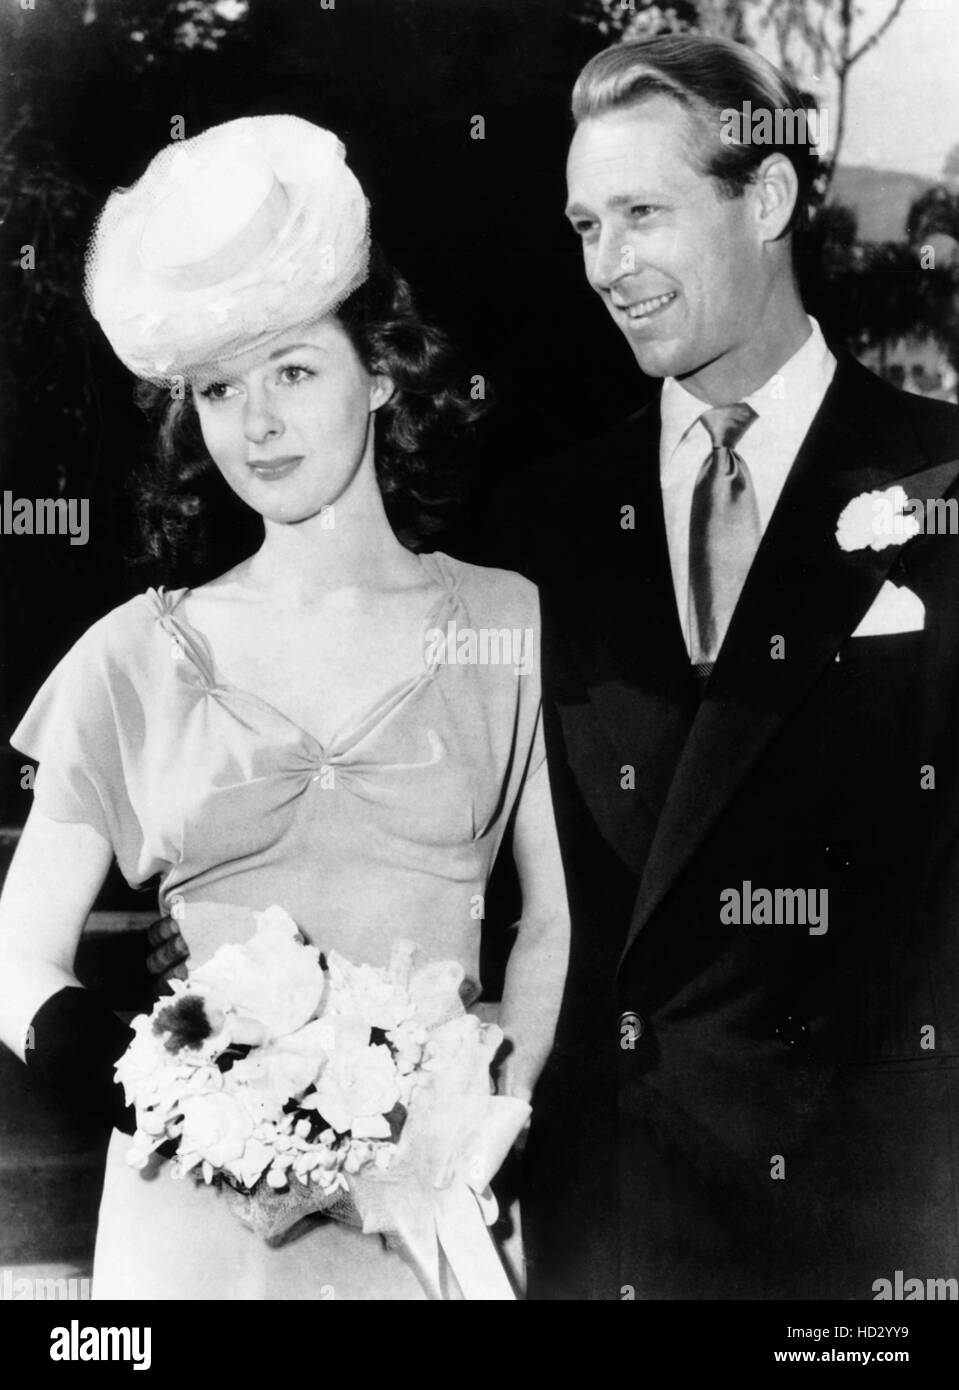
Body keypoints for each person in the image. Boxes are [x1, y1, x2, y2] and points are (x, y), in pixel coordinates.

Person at [0, 115, 569, 1300]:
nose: (253, 423)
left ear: (380, 371)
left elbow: (553, 921)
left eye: (293, 371)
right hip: (194, 1224)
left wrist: (493, 1123)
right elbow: (17, 960)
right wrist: (191, 1106)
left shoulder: (508, 623)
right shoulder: (132, 657)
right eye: (216, 389)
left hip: (433, 1213)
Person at [504, 36, 959, 1299]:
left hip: (872, 1225)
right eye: (585, 224)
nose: (606, 265)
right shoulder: (532, 528)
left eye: (641, 214)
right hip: (611, 1220)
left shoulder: (942, 480)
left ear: (762, 199)